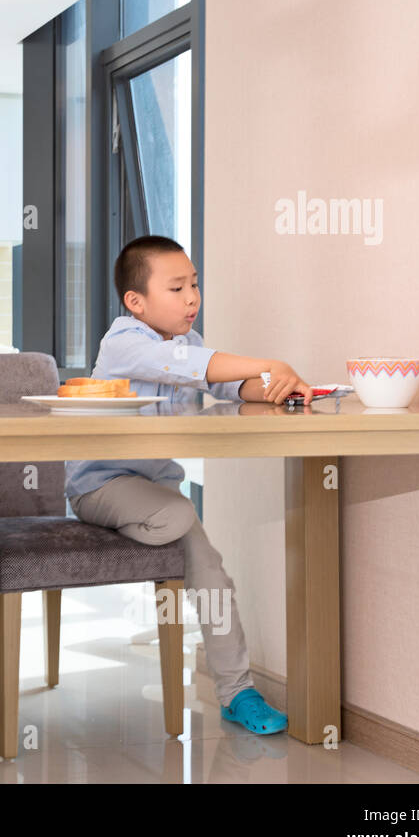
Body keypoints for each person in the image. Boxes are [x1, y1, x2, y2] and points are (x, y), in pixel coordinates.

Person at [66, 235, 310, 735]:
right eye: (177, 288)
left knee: (213, 576)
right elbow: (195, 369)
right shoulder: (125, 343)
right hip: (100, 488)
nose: (192, 298)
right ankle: (146, 527)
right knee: (180, 516)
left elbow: (226, 382)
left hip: (156, 499)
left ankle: (237, 691)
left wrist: (278, 387)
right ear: (136, 302)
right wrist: (272, 363)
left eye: (195, 285)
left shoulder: (189, 344)